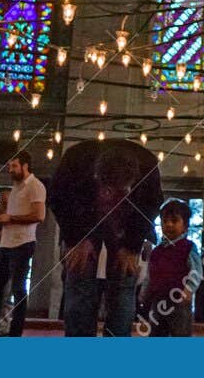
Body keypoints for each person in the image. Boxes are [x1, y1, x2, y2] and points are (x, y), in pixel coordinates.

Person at [47, 138, 162, 336]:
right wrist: (78, 239)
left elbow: (151, 206)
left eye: (121, 195)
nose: (113, 202)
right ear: (97, 179)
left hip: (127, 224)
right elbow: (58, 200)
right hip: (82, 218)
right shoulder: (75, 164)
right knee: (80, 275)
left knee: (123, 283)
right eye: (109, 193)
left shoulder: (148, 170)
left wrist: (132, 246)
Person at [0, 151, 46, 337]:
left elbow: (39, 216)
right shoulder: (16, 187)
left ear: (25, 166)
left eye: (14, 166)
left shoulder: (35, 186)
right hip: (6, 244)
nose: (10, 170)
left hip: (23, 244)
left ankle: (15, 333)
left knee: (18, 290)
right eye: (9, 166)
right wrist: (3, 222)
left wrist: (9, 218)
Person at [144, 199, 199, 336]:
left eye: (174, 221)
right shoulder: (157, 251)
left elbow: (196, 271)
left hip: (179, 301)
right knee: (156, 333)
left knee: (180, 334)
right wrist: (145, 291)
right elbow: (150, 274)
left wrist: (189, 289)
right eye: (165, 221)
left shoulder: (188, 247)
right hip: (158, 300)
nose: (169, 225)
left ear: (185, 226)